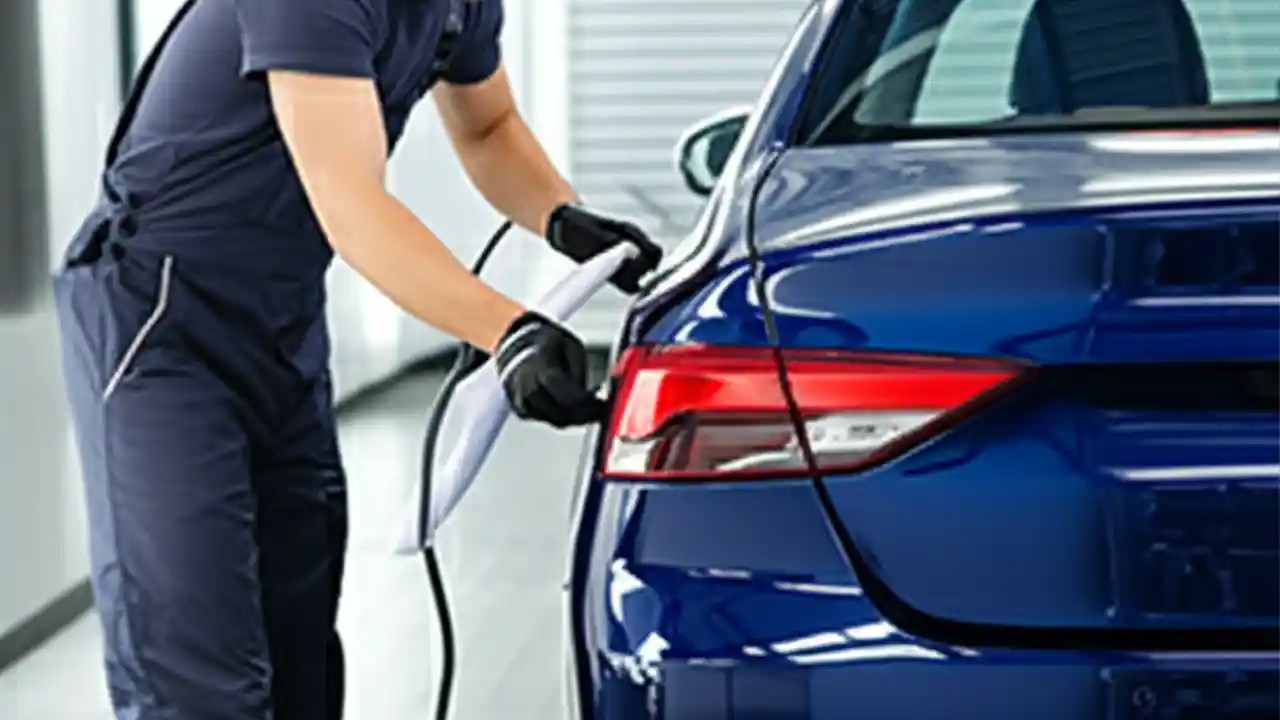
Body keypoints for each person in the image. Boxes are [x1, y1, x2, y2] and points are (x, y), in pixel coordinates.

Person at [52, 0, 662, 718]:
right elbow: (349, 200)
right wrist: (511, 331)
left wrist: (559, 217)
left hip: (281, 319)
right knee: (196, 651)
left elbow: (488, 125)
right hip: (160, 317)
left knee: (299, 644)